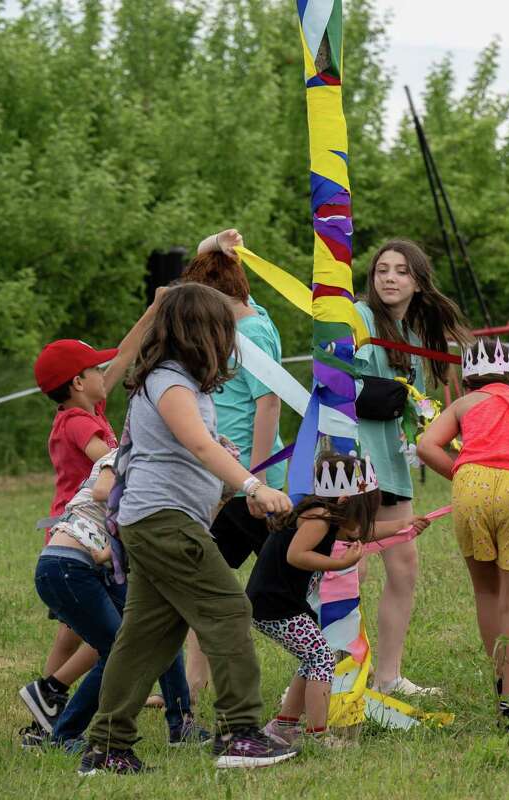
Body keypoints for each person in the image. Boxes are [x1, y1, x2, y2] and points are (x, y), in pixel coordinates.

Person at [76, 283, 296, 775]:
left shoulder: (180, 385)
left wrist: (225, 480)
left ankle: (107, 748)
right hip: (163, 523)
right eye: (225, 331)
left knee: (145, 637)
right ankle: (240, 735)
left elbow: (194, 447)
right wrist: (254, 487)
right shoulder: (172, 383)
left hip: (157, 522)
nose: (230, 342)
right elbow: (198, 446)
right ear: (202, 333)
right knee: (228, 609)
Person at [20, 293, 164, 741]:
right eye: (95, 370)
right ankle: (51, 695)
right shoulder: (78, 424)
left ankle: (48, 700)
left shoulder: (86, 407)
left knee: (77, 628)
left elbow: (122, 354)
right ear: (79, 382)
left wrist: (155, 308)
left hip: (80, 533)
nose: (108, 373)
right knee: (100, 629)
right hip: (81, 534)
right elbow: (108, 460)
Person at [416, 339, 509, 732]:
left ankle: (501, 682)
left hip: (472, 485)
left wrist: (464, 475)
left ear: (468, 378)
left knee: (486, 592)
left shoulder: (464, 404)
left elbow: (426, 445)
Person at [30, 448, 209, 752]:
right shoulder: (130, 452)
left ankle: (180, 724)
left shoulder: (155, 462)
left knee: (160, 629)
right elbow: (104, 490)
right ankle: (64, 733)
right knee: (119, 651)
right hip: (68, 567)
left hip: (94, 568)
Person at [352, 240, 470, 697]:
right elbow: (335, 378)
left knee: (403, 567)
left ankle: (389, 677)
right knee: (350, 570)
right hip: (355, 463)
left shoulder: (417, 339)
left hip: (393, 464)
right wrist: (371, 392)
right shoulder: (358, 317)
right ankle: (334, 677)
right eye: (382, 269)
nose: (390, 278)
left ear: (417, 282)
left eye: (401, 271)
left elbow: (417, 413)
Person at [247, 452, 430, 746]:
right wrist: (341, 564)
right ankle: (318, 736)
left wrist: (404, 524)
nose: (363, 518)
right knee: (321, 657)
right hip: (274, 605)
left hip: (282, 602)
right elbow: (296, 555)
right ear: (346, 501)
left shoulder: (329, 512)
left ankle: (285, 725)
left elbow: (363, 532)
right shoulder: (319, 519)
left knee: (312, 658)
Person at [179, 228, 286, 705]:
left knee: (290, 586)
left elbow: (269, 406)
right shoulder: (243, 312)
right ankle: (189, 686)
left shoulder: (253, 331)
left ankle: (329, 671)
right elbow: (208, 265)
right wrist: (217, 242)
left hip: (257, 486)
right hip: (224, 481)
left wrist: (257, 481)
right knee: (204, 588)